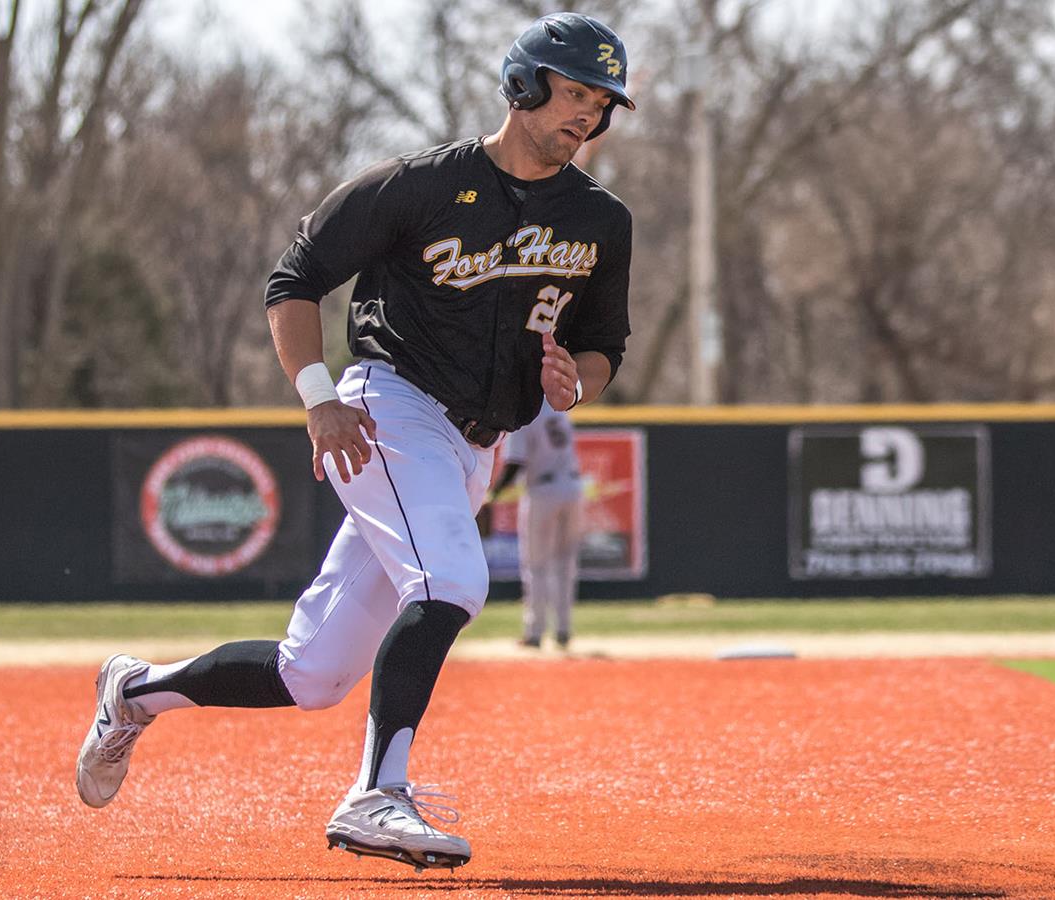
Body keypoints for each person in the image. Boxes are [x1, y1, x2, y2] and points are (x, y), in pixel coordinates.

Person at [75, 11, 635, 873]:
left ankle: (135, 692)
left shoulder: (600, 220)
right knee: (450, 578)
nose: (585, 115)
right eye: (572, 93)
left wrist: (580, 381)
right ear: (523, 86)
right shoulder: (419, 185)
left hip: (477, 446)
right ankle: (377, 794)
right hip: (390, 407)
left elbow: (604, 343)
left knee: (314, 674)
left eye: (600, 103)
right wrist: (315, 396)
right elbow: (294, 279)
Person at [490, 399, 585, 650]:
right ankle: (563, 630)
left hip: (543, 491)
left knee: (537, 564)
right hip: (573, 487)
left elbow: (514, 463)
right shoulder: (558, 407)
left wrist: (492, 495)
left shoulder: (524, 412)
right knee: (565, 562)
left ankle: (535, 632)